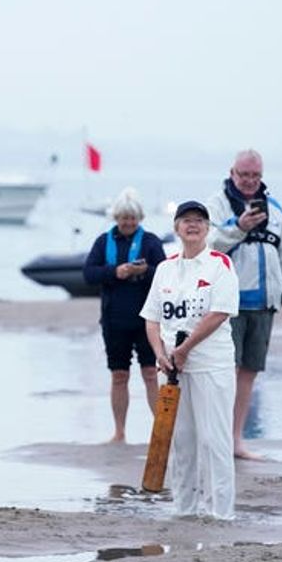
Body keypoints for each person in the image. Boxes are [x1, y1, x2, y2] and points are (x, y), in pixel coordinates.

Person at [141, 200, 239, 520]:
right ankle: (184, 508)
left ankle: (219, 512)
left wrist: (184, 349)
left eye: (199, 220)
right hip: (173, 369)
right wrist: (161, 353)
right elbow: (152, 319)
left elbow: (219, 314)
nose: (192, 225)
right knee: (182, 442)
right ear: (176, 228)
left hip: (212, 365)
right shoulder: (166, 268)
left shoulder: (219, 264)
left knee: (214, 441)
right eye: (186, 220)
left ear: (208, 229)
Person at [207, 149, 282, 460]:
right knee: (224, 373)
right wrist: (239, 226)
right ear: (232, 173)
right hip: (227, 303)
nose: (249, 181)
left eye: (255, 176)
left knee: (249, 372)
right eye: (243, 175)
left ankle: (236, 440)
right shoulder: (216, 205)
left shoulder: (275, 210)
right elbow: (207, 245)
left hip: (264, 303)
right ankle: (215, 438)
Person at [82, 187, 166, 442]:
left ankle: (160, 431)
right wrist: (114, 272)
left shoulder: (151, 241)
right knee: (119, 376)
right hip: (114, 320)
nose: (128, 223)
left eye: (132, 218)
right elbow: (88, 274)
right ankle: (119, 432)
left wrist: (142, 271)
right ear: (116, 218)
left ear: (139, 218)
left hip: (146, 321)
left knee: (151, 373)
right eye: (123, 218)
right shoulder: (102, 241)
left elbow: (164, 274)